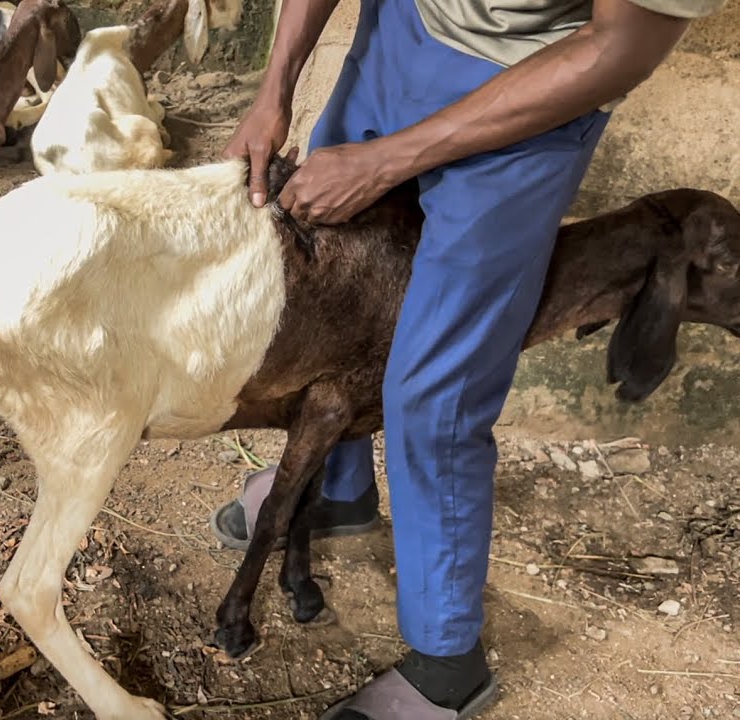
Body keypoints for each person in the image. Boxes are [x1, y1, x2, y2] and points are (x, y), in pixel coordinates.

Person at [210, 0, 723, 717]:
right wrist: (274, 89)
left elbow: (621, 43)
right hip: (400, 28)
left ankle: (447, 662)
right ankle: (341, 491)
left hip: (531, 86)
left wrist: (387, 159)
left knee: (437, 386)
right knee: (342, 287)